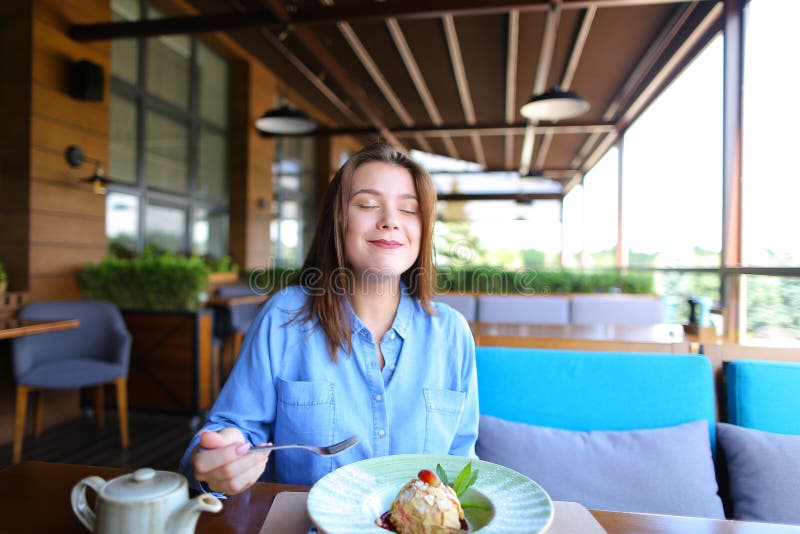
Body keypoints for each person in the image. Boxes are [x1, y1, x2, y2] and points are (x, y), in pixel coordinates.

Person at [179, 141, 478, 495]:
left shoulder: (452, 333)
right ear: (338, 221)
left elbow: (462, 464)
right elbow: (228, 434)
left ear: (424, 228)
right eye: (367, 204)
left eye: (409, 210)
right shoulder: (285, 317)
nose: (390, 222)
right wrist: (218, 460)